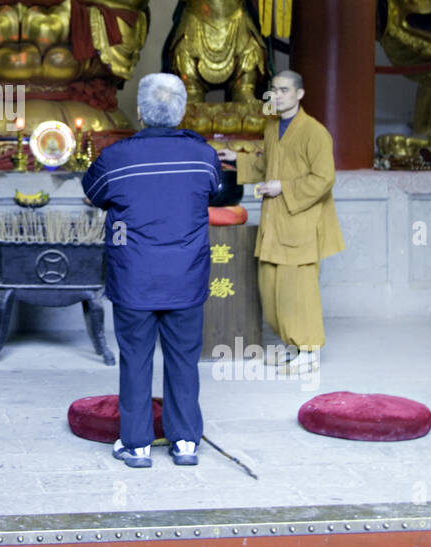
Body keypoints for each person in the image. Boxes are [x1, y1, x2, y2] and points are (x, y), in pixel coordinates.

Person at [82, 73, 222, 468]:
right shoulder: (203, 156)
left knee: (136, 358)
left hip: (134, 278)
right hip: (185, 277)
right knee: (183, 359)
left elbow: (92, 193)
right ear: (181, 112)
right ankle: (185, 444)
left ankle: (137, 444)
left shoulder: (116, 157)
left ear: (140, 112)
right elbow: (213, 190)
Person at [220, 70, 344, 375]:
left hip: (300, 223)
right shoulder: (272, 127)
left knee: (298, 291)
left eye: (284, 90)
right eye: (274, 90)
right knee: (272, 286)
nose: (277, 96)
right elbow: (266, 164)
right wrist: (236, 159)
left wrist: (284, 188)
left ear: (299, 94)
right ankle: (293, 346)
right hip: (276, 222)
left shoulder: (314, 132)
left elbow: (324, 178)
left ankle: (309, 351)